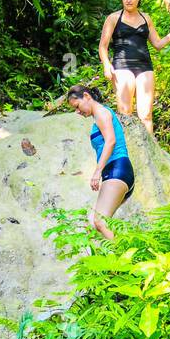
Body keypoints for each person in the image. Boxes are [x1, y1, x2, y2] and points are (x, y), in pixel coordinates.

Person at [98, 0, 170, 135]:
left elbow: (157, 44)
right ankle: (128, 147)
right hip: (122, 66)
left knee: (146, 114)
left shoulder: (146, 18)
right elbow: (103, 46)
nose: (128, 0)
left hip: (145, 67)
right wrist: (106, 65)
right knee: (125, 112)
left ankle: (150, 148)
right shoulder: (113, 18)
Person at [67, 83, 135, 240]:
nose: (77, 112)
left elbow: (110, 141)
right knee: (93, 223)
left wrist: (97, 172)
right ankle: (118, 249)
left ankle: (123, 254)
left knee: (100, 222)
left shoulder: (102, 113)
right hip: (115, 172)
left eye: (77, 106)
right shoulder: (98, 115)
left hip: (117, 169)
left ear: (86, 96)